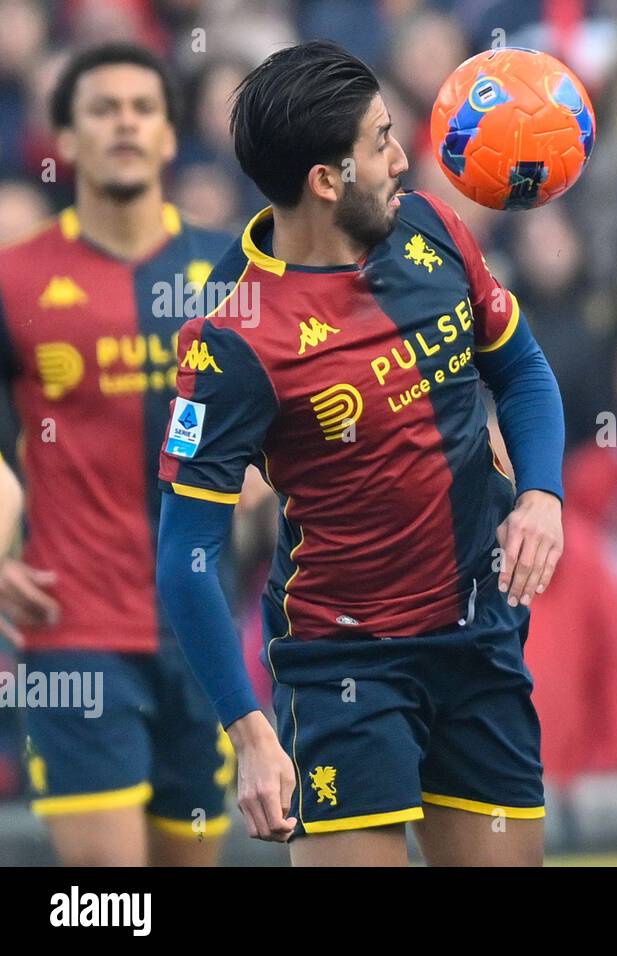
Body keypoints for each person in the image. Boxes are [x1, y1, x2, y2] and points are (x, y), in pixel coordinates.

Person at [155, 41, 565, 867]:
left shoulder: (433, 230)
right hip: (345, 665)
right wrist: (251, 732)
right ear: (326, 180)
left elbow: (519, 370)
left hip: (479, 634)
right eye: (382, 141)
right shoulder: (233, 339)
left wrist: (542, 495)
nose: (405, 157)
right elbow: (186, 552)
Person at [0, 43, 235, 866]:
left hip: (205, 630)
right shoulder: (13, 279)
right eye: (102, 109)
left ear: (173, 137)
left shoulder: (233, 275)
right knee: (107, 899)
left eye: (144, 108)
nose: (125, 123)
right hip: (76, 633)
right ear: (64, 138)